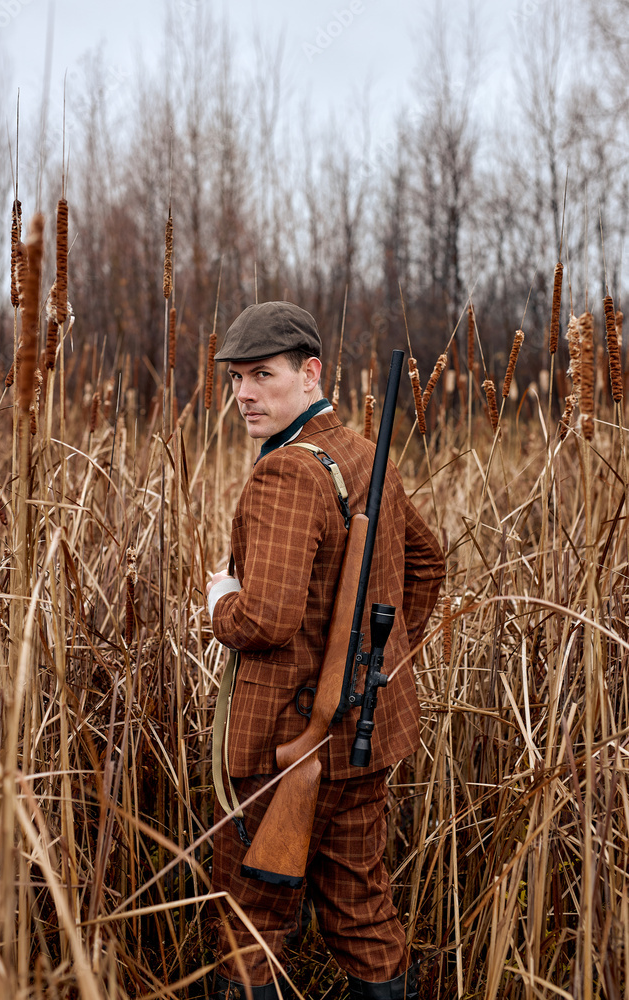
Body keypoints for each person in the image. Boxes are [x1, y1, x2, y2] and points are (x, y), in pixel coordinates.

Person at [205, 301, 444, 1000]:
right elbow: (427, 564)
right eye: (236, 378)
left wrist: (219, 602)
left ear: (310, 373)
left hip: (281, 744)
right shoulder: (365, 455)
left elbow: (266, 620)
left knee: (250, 918)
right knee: (361, 908)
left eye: (262, 375)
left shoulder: (286, 473)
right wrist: (377, 668)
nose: (244, 393)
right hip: (362, 734)